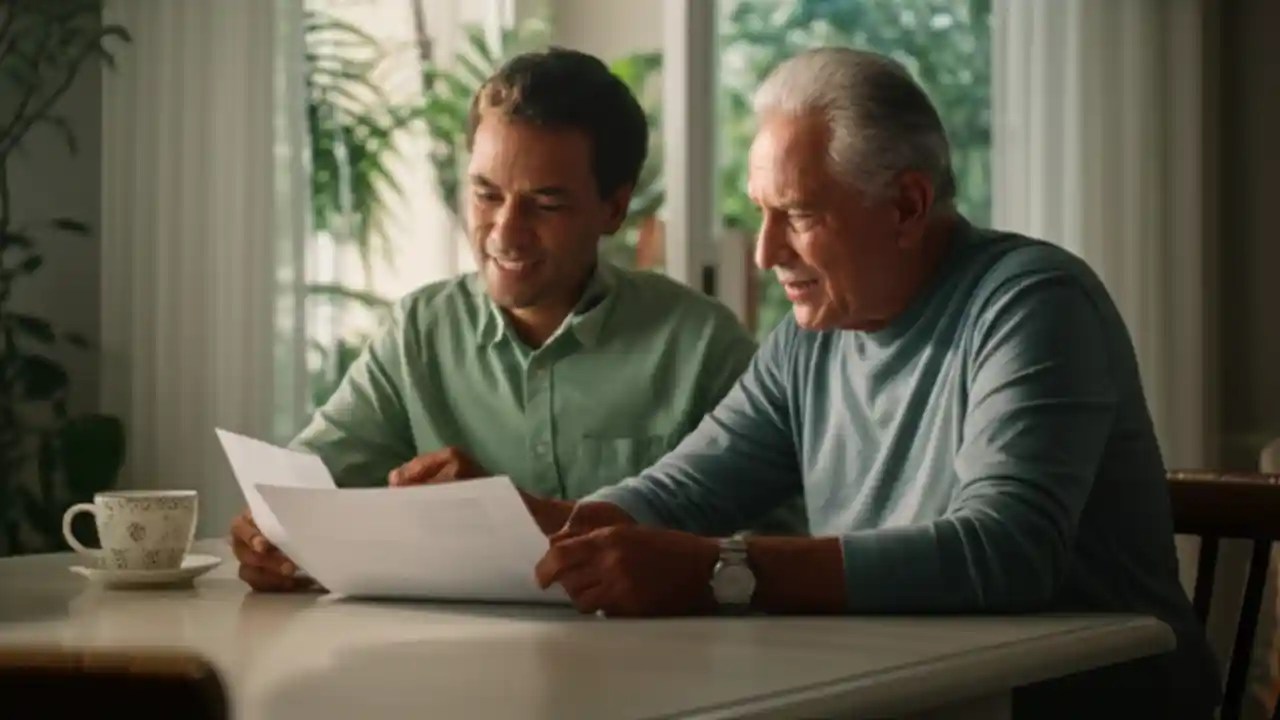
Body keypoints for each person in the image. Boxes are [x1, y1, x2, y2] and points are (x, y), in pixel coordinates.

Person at [528, 48, 1221, 718]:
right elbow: (677, 493)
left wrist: (722, 570)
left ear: (907, 207)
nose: (767, 253)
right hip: (902, 689)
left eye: (797, 215)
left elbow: (1007, 552)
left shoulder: (1033, 303)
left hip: (1076, 700)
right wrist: (508, 526)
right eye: (761, 214)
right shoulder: (809, 339)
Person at [229, 48, 804, 592]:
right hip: (458, 667)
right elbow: (304, 487)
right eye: (485, 194)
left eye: (546, 204)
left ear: (614, 207)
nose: (505, 232)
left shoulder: (701, 345)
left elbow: (783, 544)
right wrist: (269, 534)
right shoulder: (420, 333)